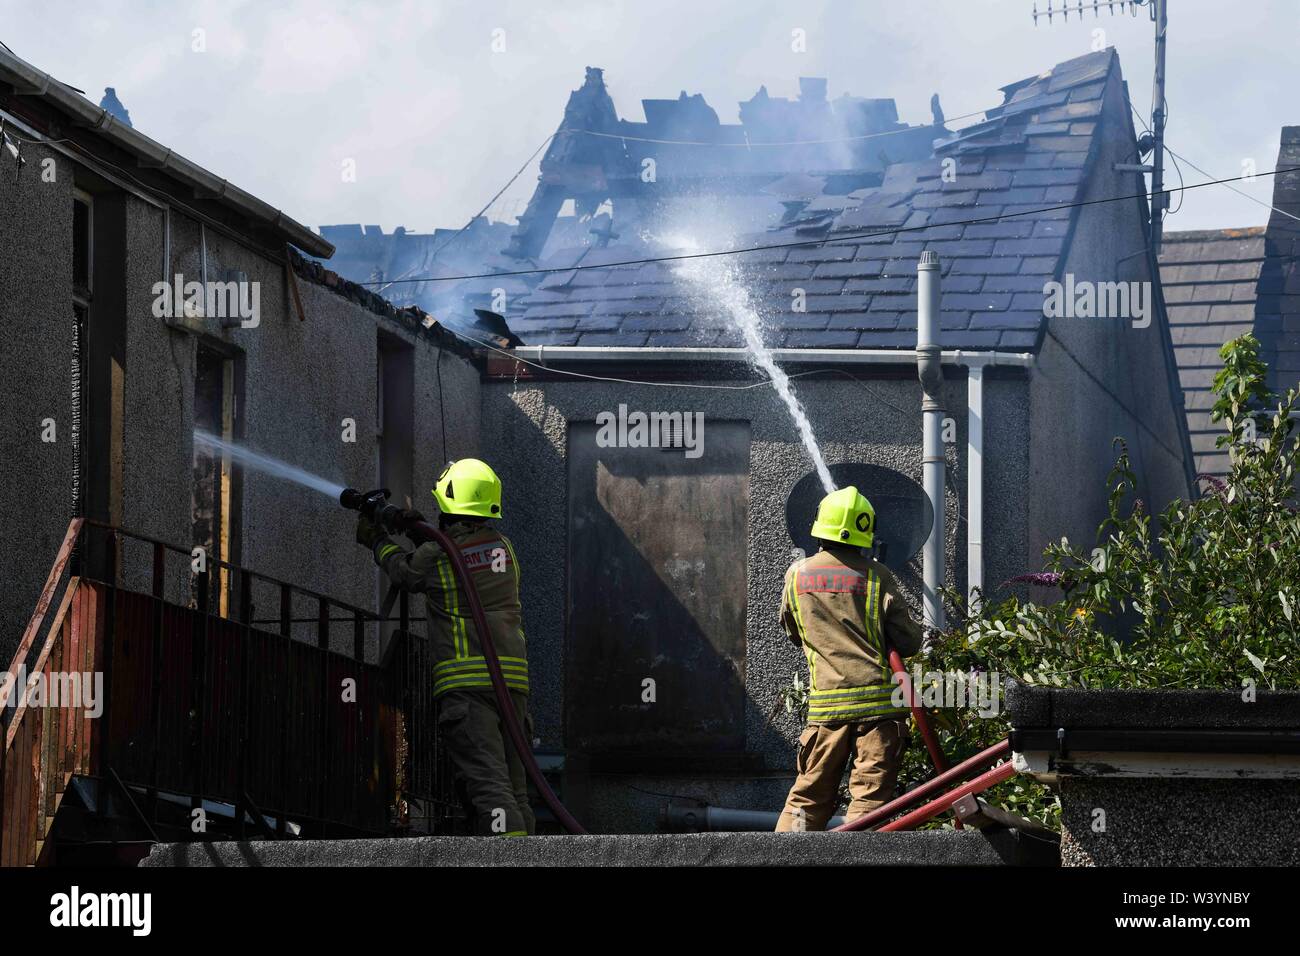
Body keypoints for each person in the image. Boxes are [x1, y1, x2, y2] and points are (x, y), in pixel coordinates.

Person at [356, 458, 535, 836]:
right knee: (516, 788)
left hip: (467, 686)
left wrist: (377, 540)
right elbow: (464, 562)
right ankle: (529, 851)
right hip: (512, 684)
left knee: (489, 784)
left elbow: (406, 572)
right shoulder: (506, 550)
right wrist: (422, 533)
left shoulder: (437, 556)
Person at [775, 485, 924, 832]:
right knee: (870, 805)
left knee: (806, 801)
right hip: (879, 711)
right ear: (864, 533)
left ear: (819, 528)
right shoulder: (878, 577)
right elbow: (909, 641)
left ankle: (786, 859)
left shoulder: (797, 575)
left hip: (827, 709)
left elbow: (794, 632)